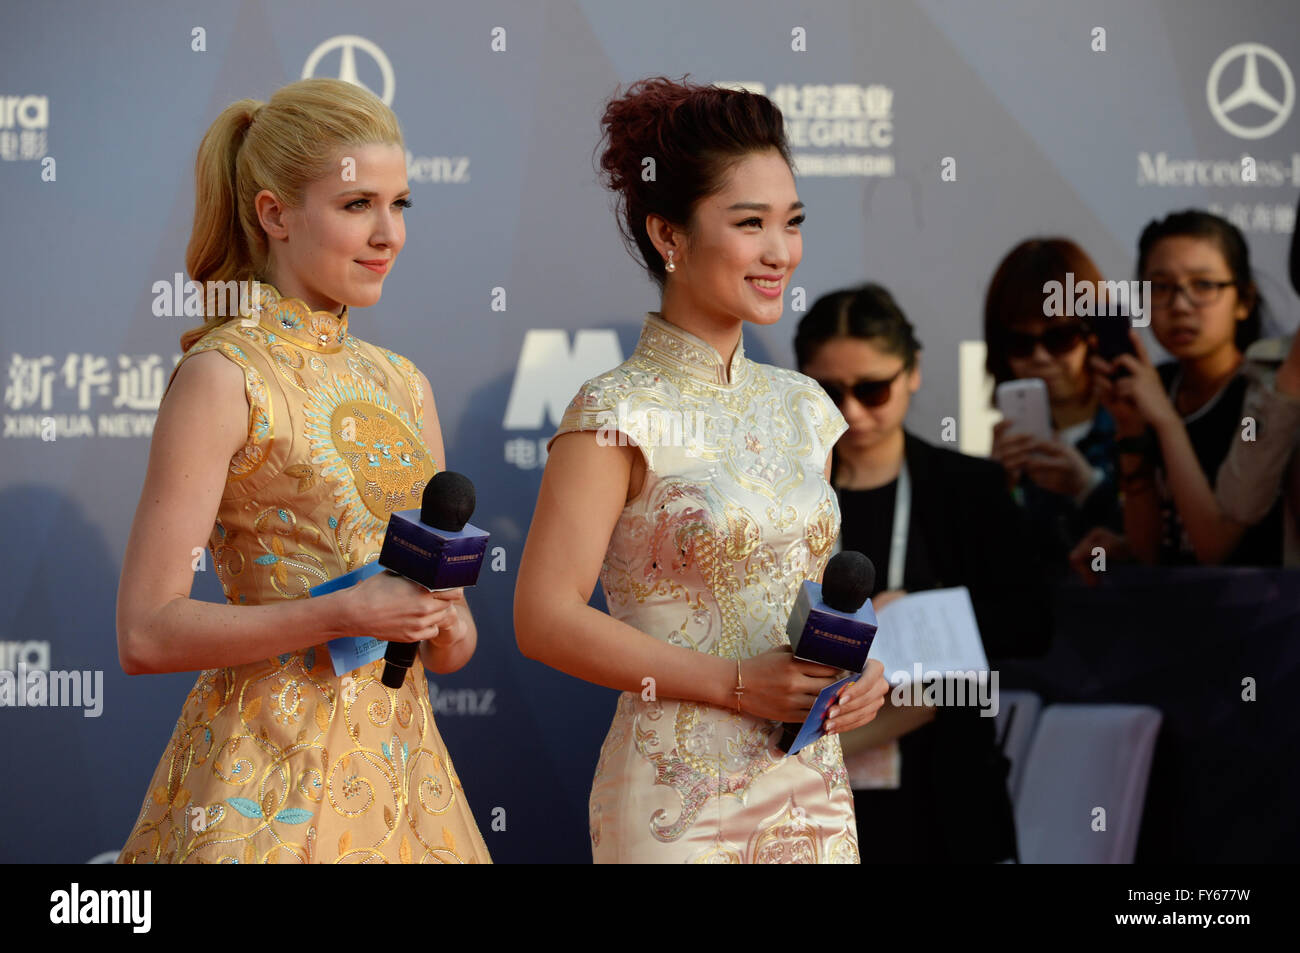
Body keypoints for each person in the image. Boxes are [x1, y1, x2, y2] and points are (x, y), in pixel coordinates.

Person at [513, 76, 888, 864]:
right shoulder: (614, 410)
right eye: (749, 223)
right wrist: (736, 685)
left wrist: (856, 673)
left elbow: (801, 602)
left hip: (812, 787)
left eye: (791, 223)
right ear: (669, 236)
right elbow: (544, 617)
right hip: (674, 800)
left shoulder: (807, 409)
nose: (779, 251)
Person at [115, 79, 490, 863]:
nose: (389, 233)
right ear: (274, 213)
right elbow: (145, 632)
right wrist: (344, 613)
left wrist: (446, 619)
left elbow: (452, 653)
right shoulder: (224, 375)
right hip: (263, 788)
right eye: (357, 205)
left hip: (408, 791)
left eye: (401, 204)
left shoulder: (404, 383)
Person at [795, 283, 1049, 863]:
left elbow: (1030, 623)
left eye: (873, 388)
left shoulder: (970, 489)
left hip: (948, 793)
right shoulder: (783, 497)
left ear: (913, 372)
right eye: (831, 391)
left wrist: (920, 615)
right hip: (811, 795)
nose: (853, 410)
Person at [1071, 209, 1283, 576]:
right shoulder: (1156, 384)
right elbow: (1147, 553)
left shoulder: (1264, 395)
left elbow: (1213, 549)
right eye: (1161, 287)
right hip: (1174, 615)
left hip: (1261, 617)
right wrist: (1131, 431)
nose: (1180, 305)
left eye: (1203, 286)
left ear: (1244, 300)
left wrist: (1166, 422)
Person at [984, 239, 1122, 570]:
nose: (1040, 358)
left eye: (1060, 337)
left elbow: (1162, 546)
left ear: (1094, 335)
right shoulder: (1007, 449)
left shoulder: (1135, 427)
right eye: (1020, 343)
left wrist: (1087, 487)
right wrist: (993, 488)